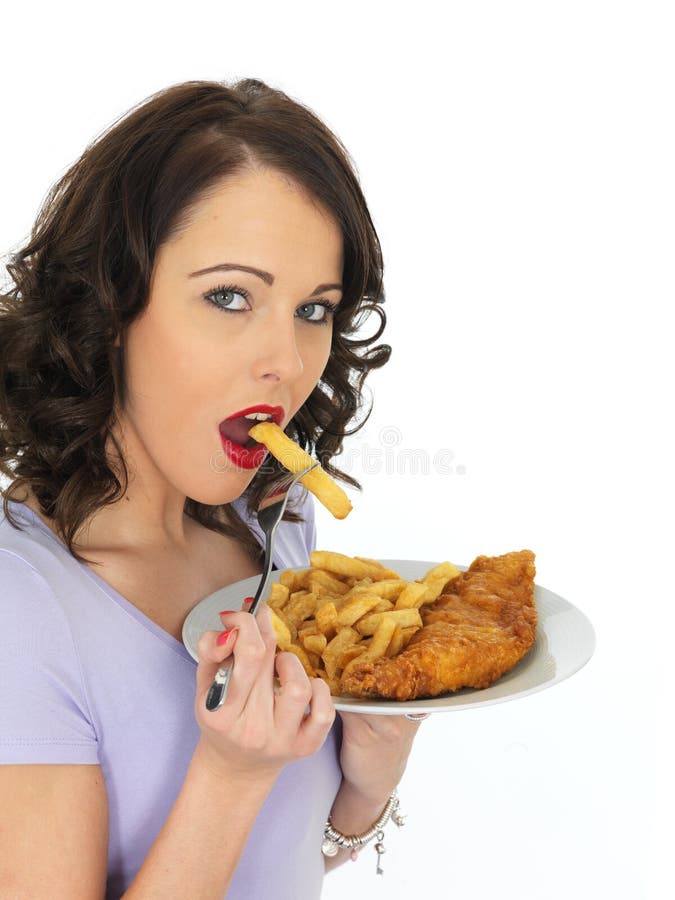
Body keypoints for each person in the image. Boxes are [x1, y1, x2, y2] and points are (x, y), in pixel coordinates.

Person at [0, 78, 426, 898]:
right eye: (229, 297)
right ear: (110, 302)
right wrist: (229, 777)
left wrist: (369, 779)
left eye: (313, 309)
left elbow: (279, 862)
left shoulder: (274, 521)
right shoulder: (20, 608)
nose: (287, 362)